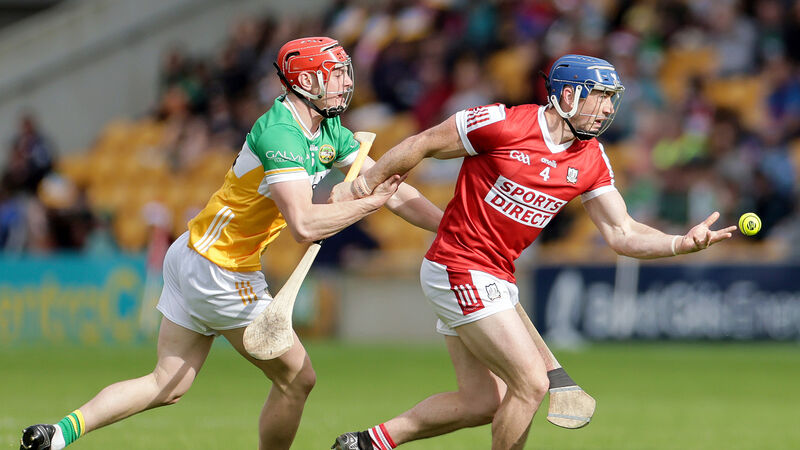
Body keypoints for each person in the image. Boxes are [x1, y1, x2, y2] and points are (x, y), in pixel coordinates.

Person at [19, 36, 441, 450]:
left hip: (192, 250)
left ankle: (57, 435)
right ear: (306, 82)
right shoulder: (280, 135)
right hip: (222, 270)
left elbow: (390, 187)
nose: (346, 83)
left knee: (167, 382)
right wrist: (369, 205)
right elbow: (305, 225)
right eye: (335, 76)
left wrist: (447, 226)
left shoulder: (327, 127)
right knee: (297, 380)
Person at [330, 54, 737, 450]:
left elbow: (622, 231)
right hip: (459, 265)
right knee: (532, 383)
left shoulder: (591, 158)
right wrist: (365, 185)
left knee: (481, 403)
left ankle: (367, 443)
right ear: (568, 96)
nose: (609, 107)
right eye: (600, 95)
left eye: (613, 97)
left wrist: (679, 243)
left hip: (497, 275)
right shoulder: (500, 123)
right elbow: (423, 142)